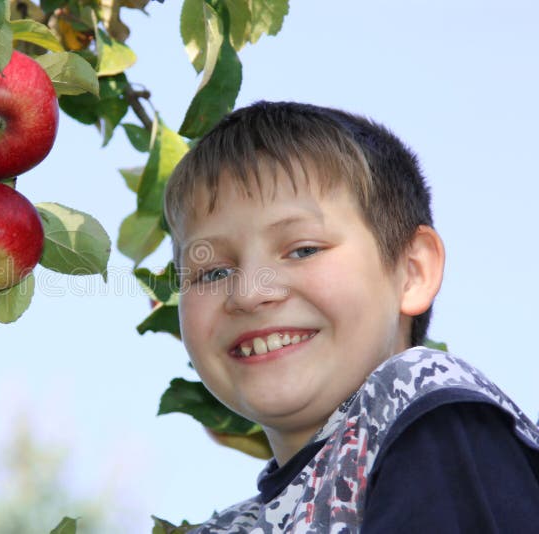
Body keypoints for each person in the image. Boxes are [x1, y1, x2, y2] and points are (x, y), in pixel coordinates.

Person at [163, 101, 539, 532]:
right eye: (213, 272)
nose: (249, 293)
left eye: (303, 250)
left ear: (412, 272)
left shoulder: (423, 410)